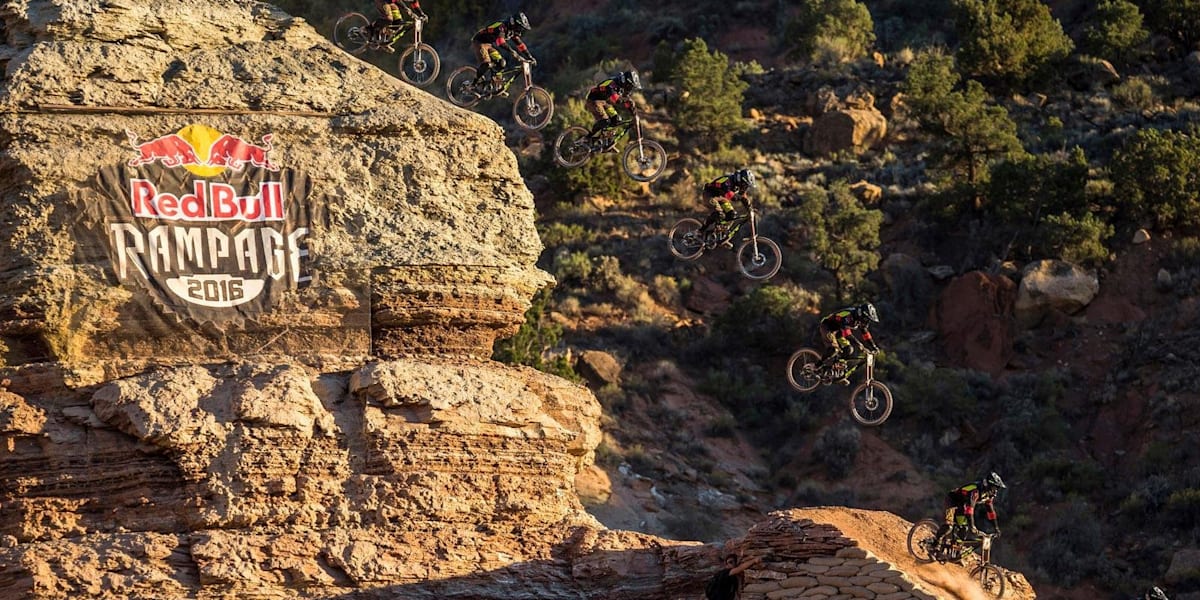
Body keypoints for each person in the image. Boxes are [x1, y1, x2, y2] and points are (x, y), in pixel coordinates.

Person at [934, 472, 1006, 554]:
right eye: (994, 488)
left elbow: (991, 512)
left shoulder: (988, 496)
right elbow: (970, 509)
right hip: (952, 501)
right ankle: (935, 544)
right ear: (988, 485)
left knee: (963, 529)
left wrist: (996, 528)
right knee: (948, 526)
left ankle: (957, 554)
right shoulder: (975, 490)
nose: (996, 491)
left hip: (962, 505)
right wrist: (973, 526)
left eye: (997, 488)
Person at [470, 12, 535, 96]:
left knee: (501, 63)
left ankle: (497, 86)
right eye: (519, 27)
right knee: (486, 64)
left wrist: (530, 56)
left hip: (488, 45)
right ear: (514, 24)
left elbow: (520, 45)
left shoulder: (511, 31)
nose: (520, 30)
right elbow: (500, 42)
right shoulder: (501, 26)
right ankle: (473, 85)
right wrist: (513, 53)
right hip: (479, 42)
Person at [816, 302, 880, 384]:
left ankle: (838, 373)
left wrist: (874, 347)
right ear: (861, 315)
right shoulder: (848, 315)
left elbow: (866, 334)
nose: (867, 322)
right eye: (866, 319)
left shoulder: (859, 320)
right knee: (834, 349)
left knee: (848, 349)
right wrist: (859, 344)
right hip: (827, 327)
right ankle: (816, 366)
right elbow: (847, 334)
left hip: (838, 331)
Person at [698, 168, 757, 246]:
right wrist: (740, 198)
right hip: (709, 194)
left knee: (732, 214)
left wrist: (749, 208)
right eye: (745, 184)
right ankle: (700, 231)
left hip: (721, 198)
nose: (745, 187)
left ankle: (721, 235)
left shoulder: (739, 186)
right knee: (718, 213)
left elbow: (744, 198)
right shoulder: (727, 180)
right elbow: (731, 196)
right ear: (741, 180)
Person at [585, 70, 642, 145]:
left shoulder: (621, 87)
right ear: (627, 83)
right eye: (631, 86)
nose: (630, 89)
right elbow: (616, 100)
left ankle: (607, 143)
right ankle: (587, 138)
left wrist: (634, 114)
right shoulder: (612, 84)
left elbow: (627, 103)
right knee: (605, 121)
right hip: (593, 100)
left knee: (616, 119)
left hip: (603, 101)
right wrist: (628, 100)